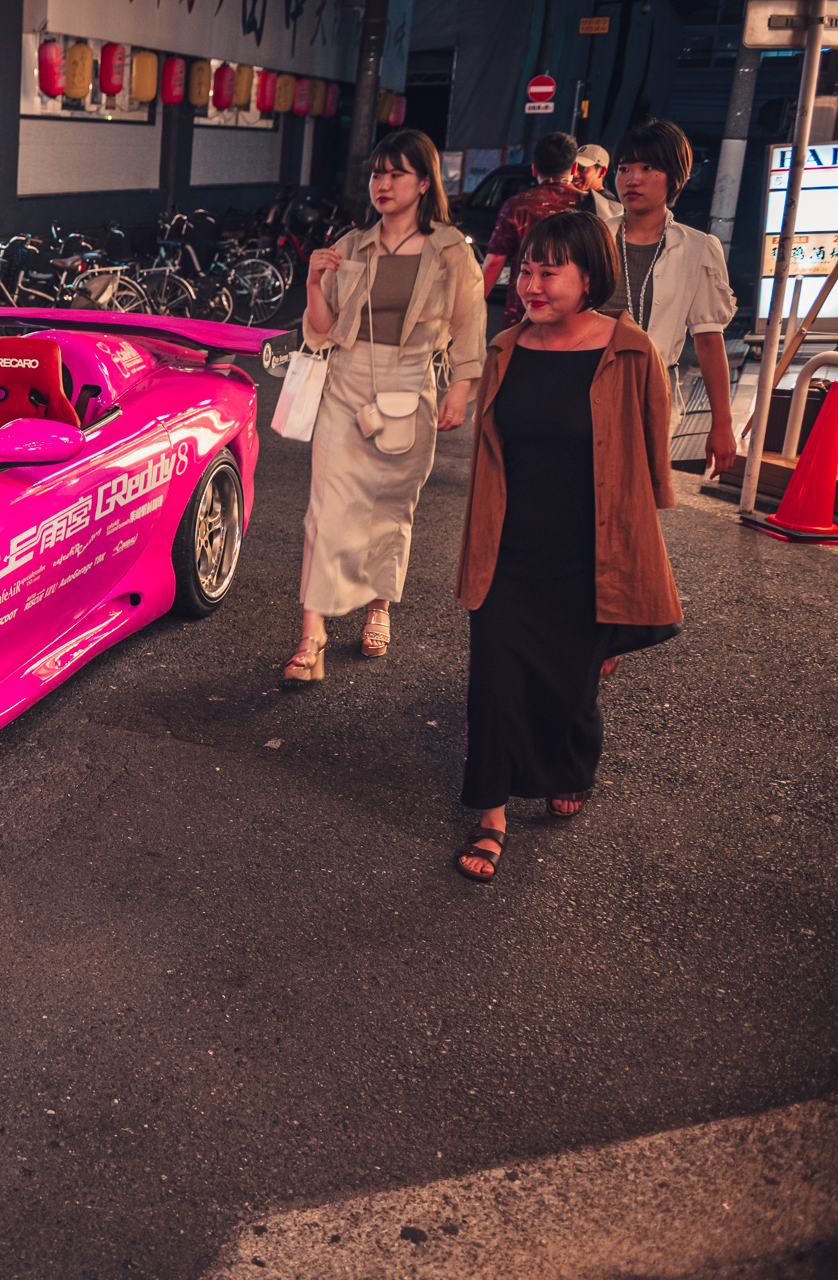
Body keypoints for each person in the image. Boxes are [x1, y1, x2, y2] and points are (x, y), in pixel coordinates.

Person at [453, 211, 682, 882]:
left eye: (549, 271)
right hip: (508, 544)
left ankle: (572, 764)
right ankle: (490, 815)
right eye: (527, 269)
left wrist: (639, 561)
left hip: (590, 549)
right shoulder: (504, 349)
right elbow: (489, 457)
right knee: (494, 681)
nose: (532, 284)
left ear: (589, 277)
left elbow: (648, 460)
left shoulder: (630, 351)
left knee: (570, 687)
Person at [286, 129, 485, 682]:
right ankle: (312, 635)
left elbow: (469, 326)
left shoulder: (450, 250)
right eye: (377, 173)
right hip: (347, 383)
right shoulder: (351, 245)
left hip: (412, 383)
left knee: (391, 509)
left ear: (424, 183)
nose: (383, 183)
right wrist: (313, 282)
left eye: (397, 173)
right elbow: (324, 334)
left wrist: (461, 388)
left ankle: (379, 605)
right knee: (326, 510)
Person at [605, 118, 737, 476]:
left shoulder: (697, 249)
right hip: (582, 389)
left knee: (634, 511)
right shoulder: (594, 238)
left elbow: (709, 339)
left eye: (648, 167)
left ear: (675, 176)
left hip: (652, 397)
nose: (632, 179)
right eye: (624, 168)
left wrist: (721, 423)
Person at [481, 131, 584, 330]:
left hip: (524, 312)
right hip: (575, 314)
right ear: (574, 168)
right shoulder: (587, 204)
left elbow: (494, 261)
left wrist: (476, 302)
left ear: (534, 169)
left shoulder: (516, 205)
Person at [574, 143, 622, 221]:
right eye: (574, 167)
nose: (575, 174)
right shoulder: (584, 198)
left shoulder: (605, 201)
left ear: (602, 172)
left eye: (582, 168)